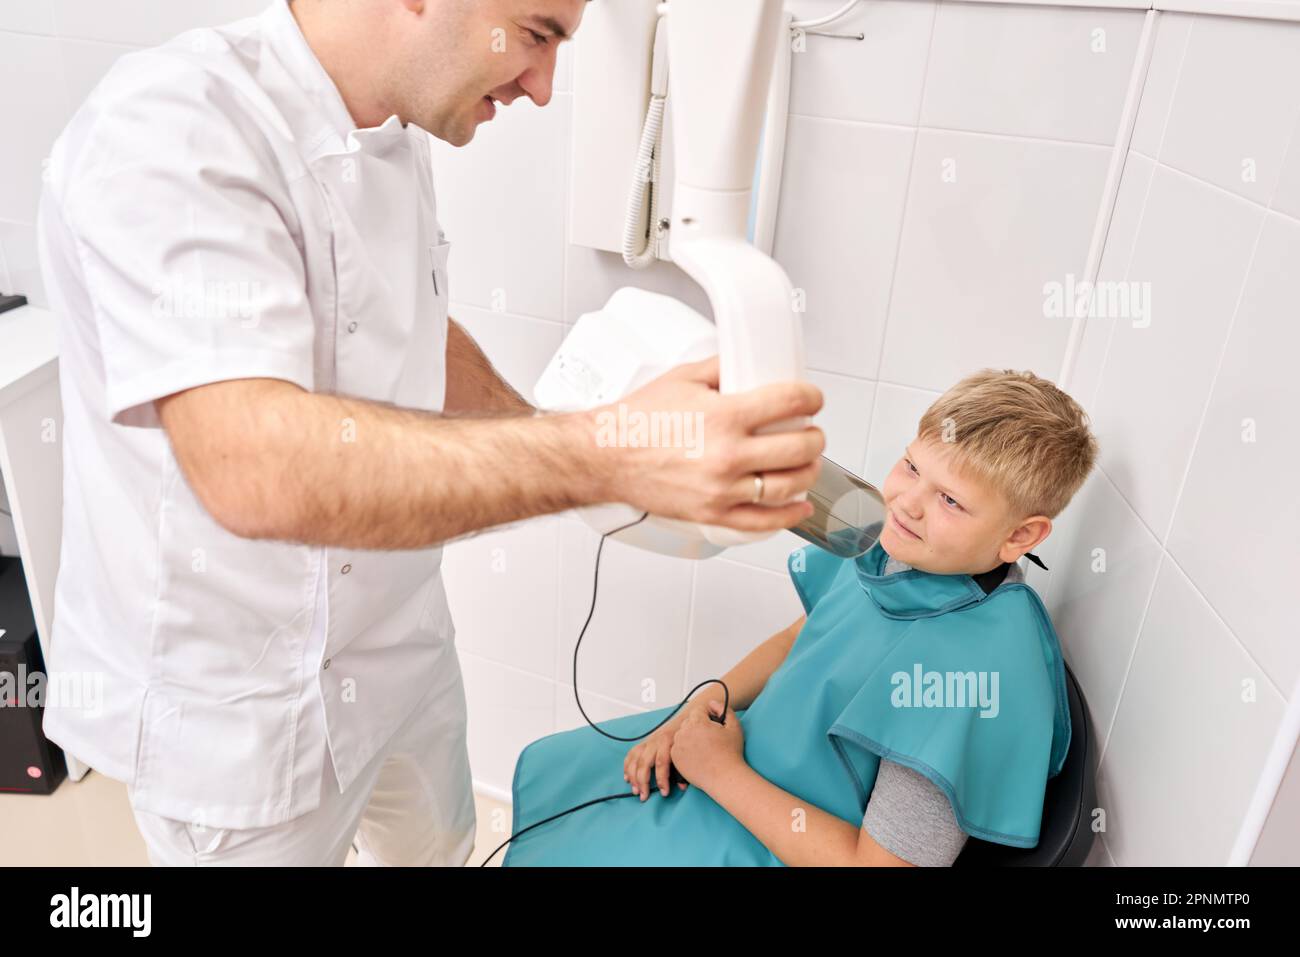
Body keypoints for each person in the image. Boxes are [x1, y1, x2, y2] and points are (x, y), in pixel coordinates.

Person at [36, 0, 825, 866]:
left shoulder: (390, 125)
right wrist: (605, 454)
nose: (543, 86)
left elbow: (411, 324)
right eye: (536, 35)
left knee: (438, 849)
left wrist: (557, 434)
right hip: (242, 710)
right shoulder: (175, 131)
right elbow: (254, 468)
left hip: (399, 645)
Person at [504, 369, 1097, 866]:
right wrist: (700, 704)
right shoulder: (892, 546)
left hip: (782, 838)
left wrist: (717, 771)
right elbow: (802, 637)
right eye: (912, 467)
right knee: (568, 772)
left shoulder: (976, 675)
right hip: (748, 764)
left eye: (950, 501)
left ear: (1020, 535)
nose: (907, 502)